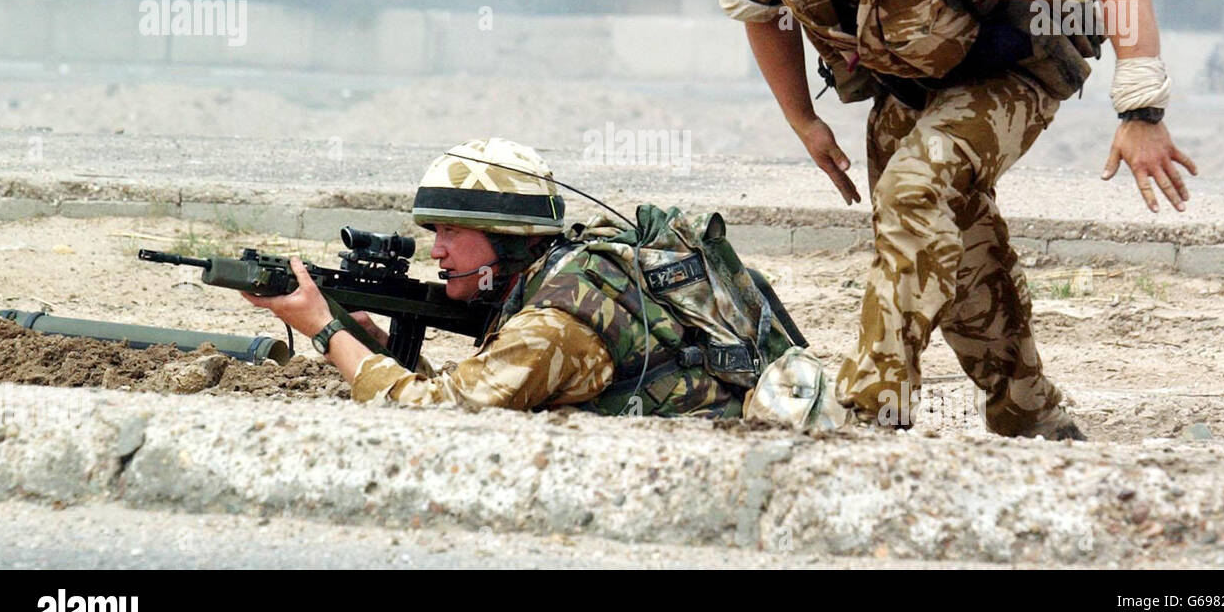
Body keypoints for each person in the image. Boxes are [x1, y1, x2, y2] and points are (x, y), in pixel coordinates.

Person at [715, 0, 1198, 439]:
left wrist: (1141, 111)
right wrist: (803, 119)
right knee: (954, 247)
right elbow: (758, 5)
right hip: (909, 85)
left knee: (917, 190)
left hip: (1008, 73)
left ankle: (868, 407)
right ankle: (1029, 411)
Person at [244, 137, 811, 420]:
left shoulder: (554, 324)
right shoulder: (561, 276)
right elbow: (476, 384)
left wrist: (323, 330)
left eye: (451, 231)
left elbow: (438, 414)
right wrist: (366, 337)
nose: (436, 249)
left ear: (508, 238)